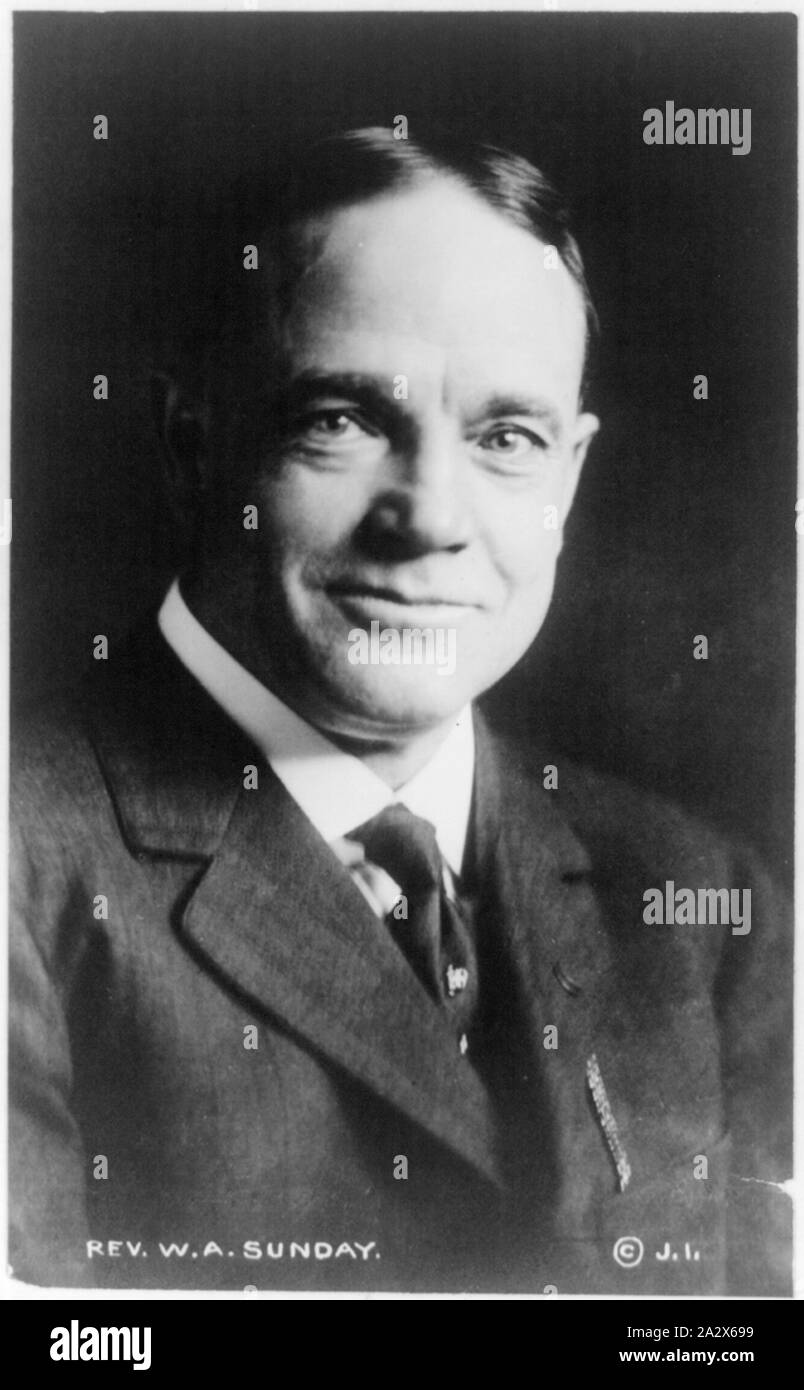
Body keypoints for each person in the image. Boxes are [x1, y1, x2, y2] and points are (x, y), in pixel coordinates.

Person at [9, 127, 791, 1294]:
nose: (431, 515)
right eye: (341, 419)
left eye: (507, 438)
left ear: (568, 479)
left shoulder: (704, 902)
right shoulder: (23, 866)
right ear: (192, 441)